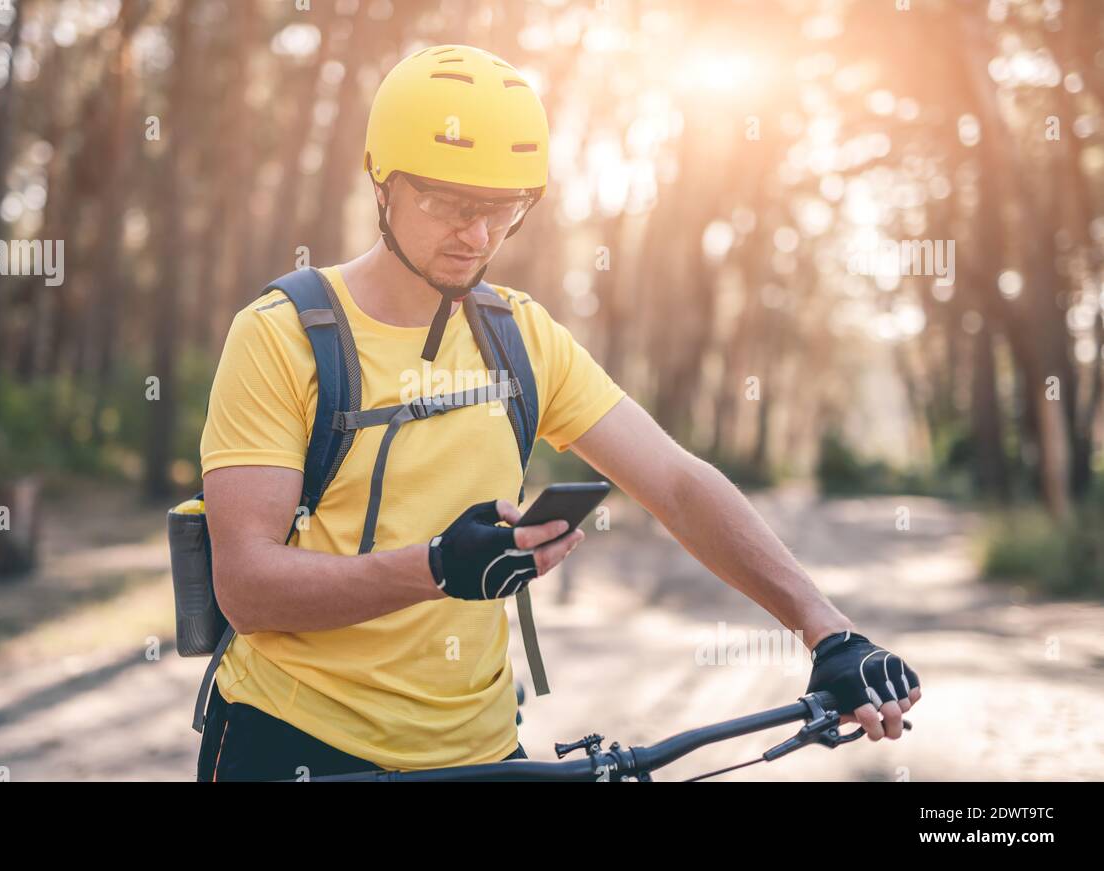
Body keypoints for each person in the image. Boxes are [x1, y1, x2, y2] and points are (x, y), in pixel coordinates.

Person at [196, 45, 920, 782]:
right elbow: (247, 587)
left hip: (479, 753)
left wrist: (826, 627)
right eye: (448, 202)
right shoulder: (283, 334)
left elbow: (674, 481)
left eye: (503, 208)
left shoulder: (520, 336)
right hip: (294, 744)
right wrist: (437, 569)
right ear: (382, 182)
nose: (477, 236)